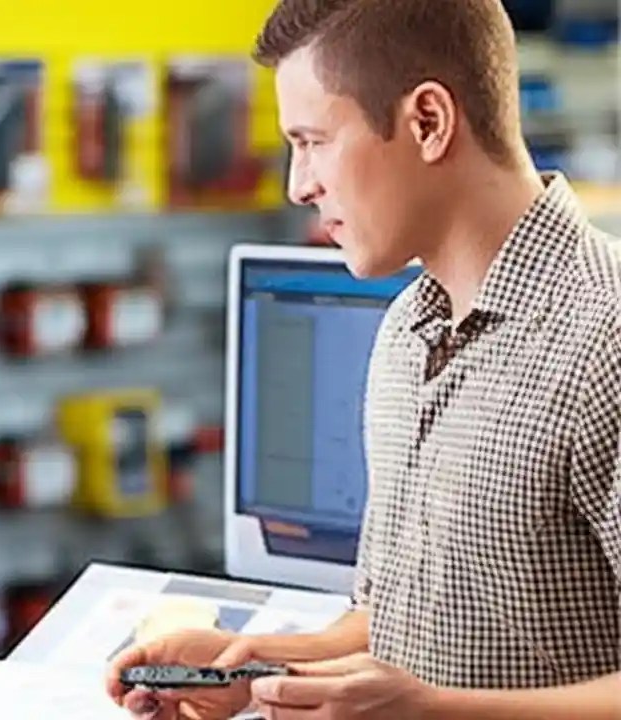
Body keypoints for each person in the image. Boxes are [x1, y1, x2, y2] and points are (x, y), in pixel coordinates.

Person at [105, 0, 621, 718]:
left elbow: (426, 696)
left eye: (312, 141)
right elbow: (406, 625)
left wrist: (437, 711)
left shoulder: (607, 340)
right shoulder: (406, 331)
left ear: (428, 122)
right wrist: (256, 670)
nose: (298, 184)